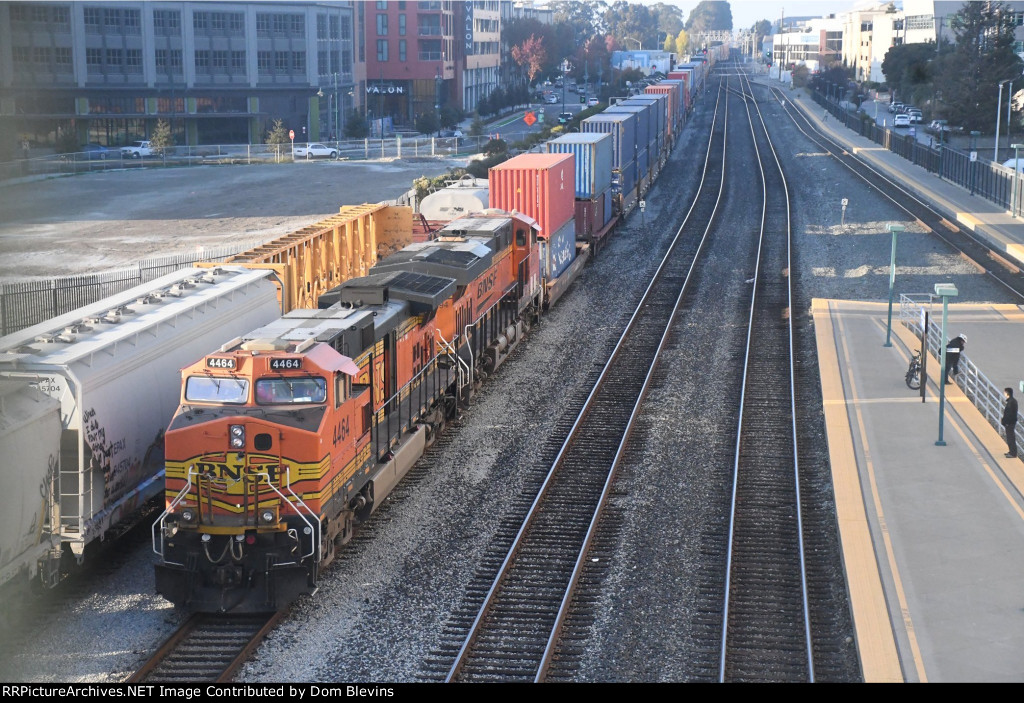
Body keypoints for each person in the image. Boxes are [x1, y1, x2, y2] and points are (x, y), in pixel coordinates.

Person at [1003, 388, 1019, 459]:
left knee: (1010, 438)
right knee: (1010, 437)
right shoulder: (1013, 401)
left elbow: (1009, 414)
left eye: (1005, 393)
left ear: (1007, 393)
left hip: (1010, 423)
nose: (1004, 394)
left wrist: (1005, 422)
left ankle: (1013, 453)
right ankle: (1011, 451)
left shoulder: (1011, 403)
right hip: (1011, 422)